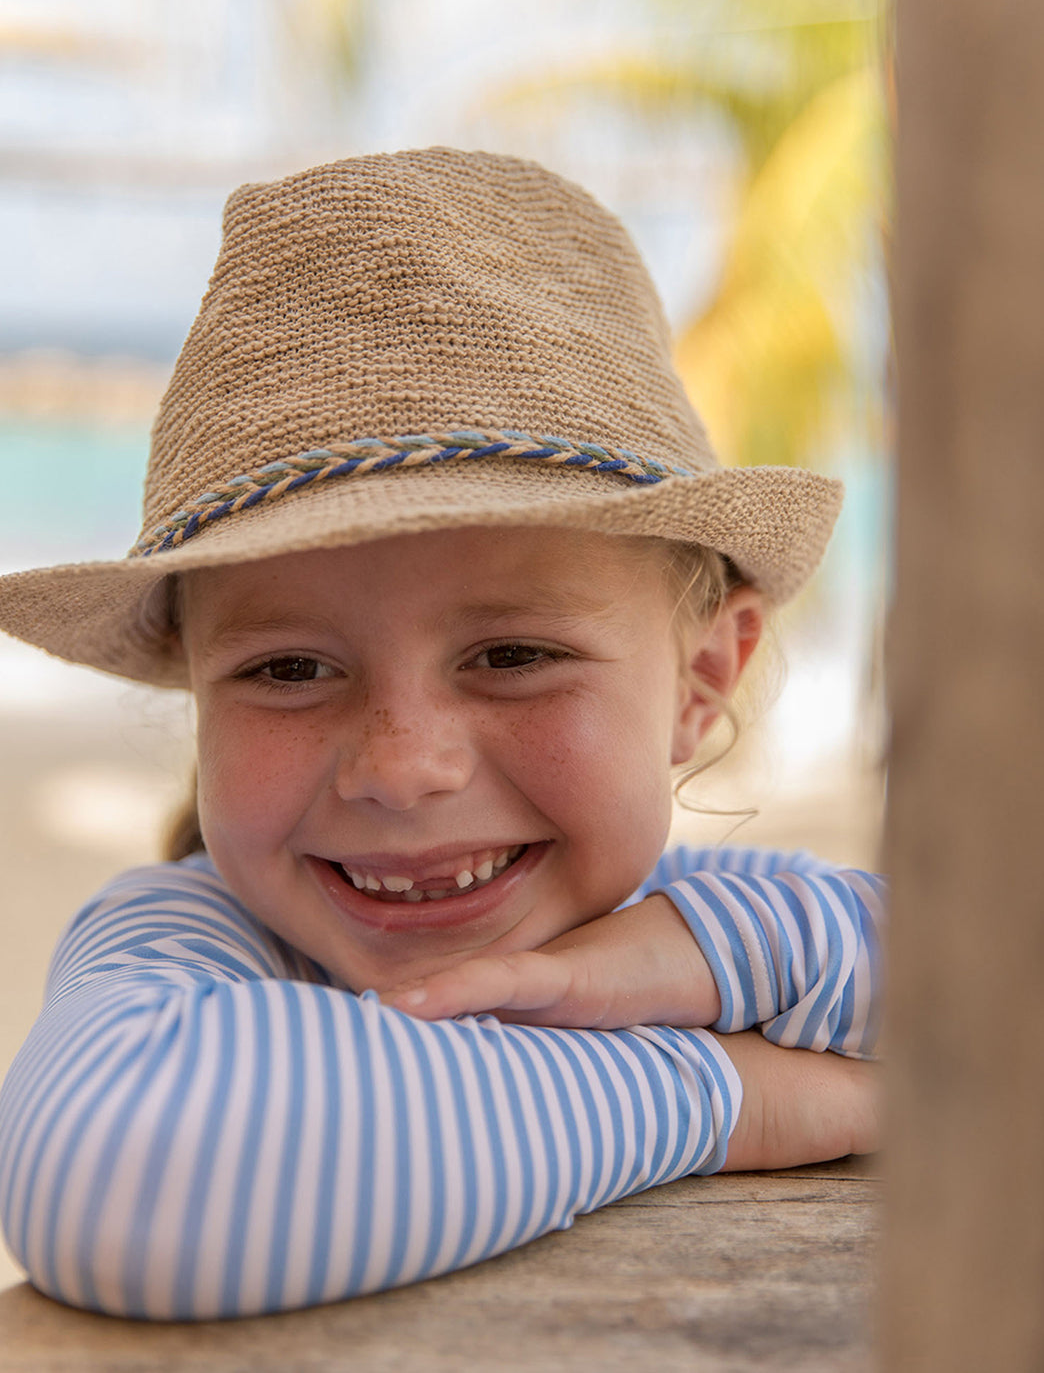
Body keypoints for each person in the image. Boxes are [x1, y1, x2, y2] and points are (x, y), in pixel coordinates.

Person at [0, 149, 883, 1322]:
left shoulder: (726, 923)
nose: (403, 768)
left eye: (512, 655)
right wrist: (731, 1091)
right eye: (289, 669)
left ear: (701, 681)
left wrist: (703, 964)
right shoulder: (183, 937)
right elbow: (118, 1181)